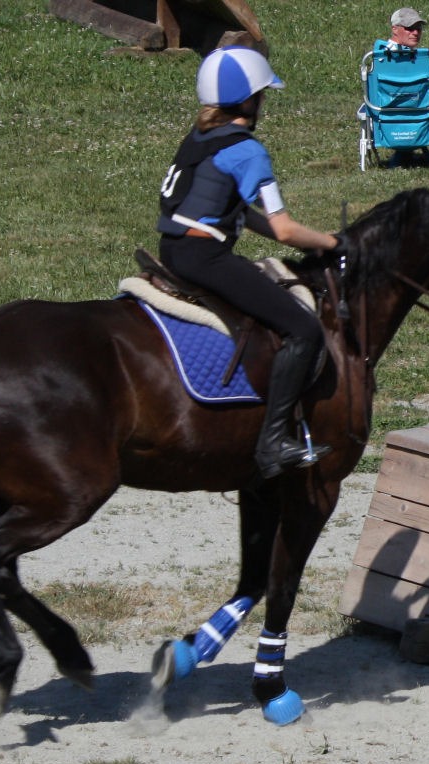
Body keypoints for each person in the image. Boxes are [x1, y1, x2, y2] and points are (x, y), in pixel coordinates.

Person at [156, 46, 340, 480]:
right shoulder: (249, 151)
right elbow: (285, 230)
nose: (263, 103)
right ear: (248, 100)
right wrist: (332, 242)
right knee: (304, 328)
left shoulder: (200, 136)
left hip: (175, 249)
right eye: (261, 95)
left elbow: (236, 212)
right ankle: (273, 443)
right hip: (206, 257)